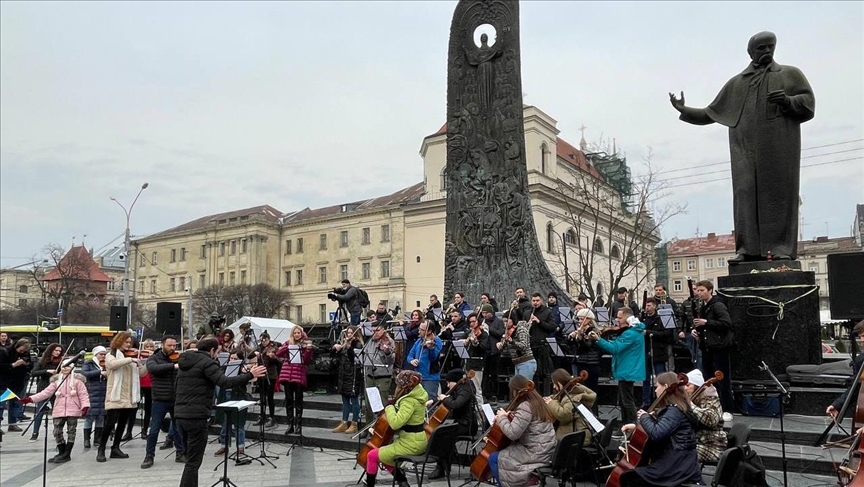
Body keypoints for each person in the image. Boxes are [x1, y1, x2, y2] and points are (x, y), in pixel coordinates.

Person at [670, 31, 815, 261]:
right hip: (744, 150)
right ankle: (747, 249)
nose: (767, 51)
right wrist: (684, 110)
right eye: (761, 48)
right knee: (744, 194)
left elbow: (808, 104)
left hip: (778, 149)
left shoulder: (790, 74)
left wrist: (788, 101)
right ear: (751, 52)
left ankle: (780, 249)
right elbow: (711, 112)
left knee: (778, 196)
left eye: (770, 47)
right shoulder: (737, 83)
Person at [174, 337, 265, 487]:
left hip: (180, 414)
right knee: (193, 462)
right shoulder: (207, 362)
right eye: (216, 351)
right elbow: (225, 382)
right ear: (212, 350)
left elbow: (176, 387)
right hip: (196, 416)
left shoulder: (184, 363)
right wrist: (250, 375)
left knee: (190, 459)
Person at [618, 372, 702, 487]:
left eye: (657, 386)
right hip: (681, 462)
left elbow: (657, 433)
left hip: (676, 466)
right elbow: (665, 427)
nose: (655, 390)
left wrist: (644, 417)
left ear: (666, 387)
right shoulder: (676, 408)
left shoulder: (674, 411)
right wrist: (636, 427)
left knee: (628, 478)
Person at [488, 374, 556, 487]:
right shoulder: (538, 401)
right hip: (544, 448)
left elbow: (513, 434)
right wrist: (512, 415)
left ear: (515, 391)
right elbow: (527, 420)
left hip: (535, 452)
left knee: (494, 458)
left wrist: (502, 418)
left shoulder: (525, 406)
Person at [362, 370, 428, 487]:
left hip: (411, 444)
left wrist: (389, 407)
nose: (397, 387)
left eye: (398, 385)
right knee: (384, 456)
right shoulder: (418, 395)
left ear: (404, 386)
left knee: (372, 455)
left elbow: (395, 424)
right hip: (416, 440)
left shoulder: (409, 401)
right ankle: (402, 481)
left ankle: (370, 485)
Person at [20, 363, 90, 464]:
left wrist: (85, 406)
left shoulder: (78, 382)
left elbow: (84, 395)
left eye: (68, 366)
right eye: (64, 366)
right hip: (59, 409)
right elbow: (45, 393)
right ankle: (62, 451)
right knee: (57, 431)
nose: (65, 368)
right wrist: (31, 399)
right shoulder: (56, 382)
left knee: (71, 431)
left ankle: (67, 453)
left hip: (73, 408)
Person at [96, 331, 147, 462]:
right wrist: (130, 359)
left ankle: (116, 448)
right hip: (116, 393)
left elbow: (141, 374)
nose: (129, 345)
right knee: (110, 423)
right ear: (119, 341)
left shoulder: (132, 355)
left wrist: (142, 364)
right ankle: (101, 449)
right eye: (126, 342)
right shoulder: (111, 354)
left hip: (129, 394)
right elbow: (112, 365)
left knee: (122, 423)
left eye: (130, 342)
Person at [589, 308, 645, 425]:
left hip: (627, 369)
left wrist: (598, 340)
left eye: (619, 318)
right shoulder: (632, 331)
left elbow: (614, 348)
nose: (617, 320)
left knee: (627, 402)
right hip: (626, 369)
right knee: (624, 401)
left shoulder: (630, 333)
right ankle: (625, 426)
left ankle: (633, 426)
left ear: (628, 318)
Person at [692, 280, 734, 421]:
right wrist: (697, 332)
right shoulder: (704, 306)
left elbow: (726, 323)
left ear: (710, 290)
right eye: (698, 290)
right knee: (709, 379)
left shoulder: (718, 305)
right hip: (708, 347)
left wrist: (706, 323)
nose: (699, 293)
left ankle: (727, 408)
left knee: (722, 378)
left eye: (702, 290)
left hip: (719, 348)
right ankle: (713, 406)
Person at [141, 336, 185, 469]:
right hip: (160, 399)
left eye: (174, 346)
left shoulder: (178, 357)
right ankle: (149, 456)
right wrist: (173, 366)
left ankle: (180, 453)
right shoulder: (154, 358)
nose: (172, 348)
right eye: (169, 346)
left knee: (178, 428)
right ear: (162, 345)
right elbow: (154, 369)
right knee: (154, 429)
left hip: (176, 397)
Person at [425, 368, 477, 479]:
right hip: (459, 422)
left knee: (442, 434)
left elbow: (456, 404)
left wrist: (444, 399)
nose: (448, 385)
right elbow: (448, 396)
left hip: (467, 425)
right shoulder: (459, 387)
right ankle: (444, 464)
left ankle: (442, 466)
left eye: (449, 382)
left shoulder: (466, 389)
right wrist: (433, 401)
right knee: (442, 433)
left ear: (455, 380)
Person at [214, 349, 252, 458]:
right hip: (225, 396)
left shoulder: (243, 371)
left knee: (239, 424)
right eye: (231, 358)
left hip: (238, 397)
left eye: (236, 359)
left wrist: (245, 372)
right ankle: (224, 445)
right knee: (224, 424)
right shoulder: (223, 369)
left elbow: (245, 381)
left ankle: (240, 446)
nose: (233, 360)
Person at [276, 326, 314, 435]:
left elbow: (306, 361)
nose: (297, 335)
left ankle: (298, 426)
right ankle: (290, 425)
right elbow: (278, 353)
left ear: (301, 334)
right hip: (287, 375)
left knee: (298, 401)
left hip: (298, 375)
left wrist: (307, 350)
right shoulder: (288, 343)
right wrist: (288, 347)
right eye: (295, 333)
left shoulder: (305, 344)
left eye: (298, 333)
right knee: (288, 401)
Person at [545, 368, 596, 445]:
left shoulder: (572, 397)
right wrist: (549, 399)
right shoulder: (570, 391)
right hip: (578, 433)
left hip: (575, 437)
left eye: (555, 384)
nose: (554, 387)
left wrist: (552, 403)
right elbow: (559, 399)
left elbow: (565, 416)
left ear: (560, 383)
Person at [685, 369, 727, 463]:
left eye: (688, 385)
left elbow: (711, 419)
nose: (685, 388)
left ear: (696, 386)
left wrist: (689, 405)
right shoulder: (693, 399)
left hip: (713, 446)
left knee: (683, 452)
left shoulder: (711, 399)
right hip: (697, 442)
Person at [826, 320, 864, 420]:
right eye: (860, 336)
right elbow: (856, 387)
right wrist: (838, 405)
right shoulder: (861, 360)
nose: (861, 340)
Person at [641, 298, 674, 409]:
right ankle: (646, 402)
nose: (647, 308)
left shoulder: (662, 318)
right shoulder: (642, 318)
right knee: (645, 378)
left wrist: (648, 332)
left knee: (661, 377)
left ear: (655, 306)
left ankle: (662, 400)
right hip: (645, 350)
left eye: (649, 305)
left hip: (658, 351)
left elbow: (666, 334)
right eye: (646, 305)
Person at [361, 324, 395, 426]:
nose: (374, 333)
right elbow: (364, 354)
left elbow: (391, 360)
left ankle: (380, 430)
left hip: (382, 376)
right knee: (368, 405)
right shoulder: (370, 341)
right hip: (370, 375)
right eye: (372, 331)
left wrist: (387, 352)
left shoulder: (389, 341)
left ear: (383, 330)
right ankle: (368, 428)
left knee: (381, 405)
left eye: (377, 330)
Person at [332, 326, 364, 434]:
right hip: (344, 375)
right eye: (348, 333)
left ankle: (354, 423)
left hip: (353, 375)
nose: (349, 335)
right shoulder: (344, 345)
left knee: (354, 400)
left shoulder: (358, 345)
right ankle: (344, 422)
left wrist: (349, 346)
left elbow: (353, 358)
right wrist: (336, 349)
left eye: (351, 333)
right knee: (345, 399)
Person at [29, 343, 63, 442]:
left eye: (59, 351)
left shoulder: (61, 362)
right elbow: (34, 373)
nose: (58, 353)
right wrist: (46, 371)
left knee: (56, 411)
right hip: (43, 387)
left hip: (56, 388)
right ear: (50, 350)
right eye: (56, 350)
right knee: (39, 411)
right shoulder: (42, 361)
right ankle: (35, 433)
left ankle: (57, 432)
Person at [123, 338, 155, 441]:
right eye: (147, 347)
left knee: (148, 410)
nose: (149, 349)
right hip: (139, 384)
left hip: (150, 385)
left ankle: (145, 431)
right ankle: (129, 432)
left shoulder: (154, 357)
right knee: (133, 409)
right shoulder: (138, 356)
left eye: (151, 347)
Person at [0, 338, 33, 432]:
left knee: (15, 404)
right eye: (21, 350)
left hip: (18, 383)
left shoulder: (26, 354)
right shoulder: (5, 352)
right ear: (17, 346)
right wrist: (13, 365)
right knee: (1, 405)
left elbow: (31, 366)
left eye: (24, 351)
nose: (22, 352)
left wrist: (26, 364)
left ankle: (12, 424)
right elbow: (1, 366)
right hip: (5, 383)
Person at [406, 320, 443, 401]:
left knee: (429, 402)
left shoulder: (437, 341)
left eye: (422, 330)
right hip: (418, 377)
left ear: (429, 331)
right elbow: (409, 356)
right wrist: (412, 360)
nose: (419, 331)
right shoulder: (419, 341)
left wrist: (431, 348)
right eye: (419, 329)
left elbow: (433, 358)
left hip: (430, 378)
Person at [568, 308, 601, 397]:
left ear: (589, 320)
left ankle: (592, 410)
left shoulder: (593, 331)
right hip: (581, 362)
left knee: (590, 392)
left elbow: (587, 346)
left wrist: (580, 336)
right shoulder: (581, 330)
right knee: (581, 390)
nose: (579, 321)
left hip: (591, 363)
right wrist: (572, 338)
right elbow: (574, 347)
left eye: (582, 319)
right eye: (579, 319)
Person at [81, 346, 108, 450]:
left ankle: (97, 439)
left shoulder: (106, 364)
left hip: (103, 392)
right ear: (96, 354)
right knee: (89, 417)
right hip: (92, 391)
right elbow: (84, 374)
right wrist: (100, 372)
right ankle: (86, 439)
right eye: (101, 354)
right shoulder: (89, 363)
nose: (103, 356)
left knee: (100, 417)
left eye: (104, 354)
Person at [498, 310, 535, 380]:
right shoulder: (507, 331)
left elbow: (523, 346)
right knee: (518, 388)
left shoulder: (521, 329)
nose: (504, 323)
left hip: (526, 362)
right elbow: (504, 344)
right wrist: (500, 344)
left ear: (513, 320)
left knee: (524, 387)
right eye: (503, 321)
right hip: (517, 362)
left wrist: (512, 342)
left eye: (506, 321)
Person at [462, 313, 489, 406]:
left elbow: (483, 348)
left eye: (474, 321)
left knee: (477, 389)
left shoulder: (483, 334)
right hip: (468, 363)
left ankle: (480, 411)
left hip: (477, 363)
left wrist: (475, 342)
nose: (472, 324)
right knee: (466, 389)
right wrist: (464, 342)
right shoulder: (470, 333)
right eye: (470, 322)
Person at [480, 304, 505, 402]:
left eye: (486, 313)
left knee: (494, 374)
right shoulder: (482, 321)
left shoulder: (498, 321)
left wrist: (488, 328)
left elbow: (500, 333)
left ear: (491, 312)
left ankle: (494, 394)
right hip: (485, 350)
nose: (484, 315)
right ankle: (485, 394)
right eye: (483, 313)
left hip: (494, 351)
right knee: (485, 374)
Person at [255, 331, 279, 428]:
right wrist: (255, 353)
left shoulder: (274, 346)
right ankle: (262, 416)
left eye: (265, 340)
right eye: (261, 341)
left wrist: (273, 357)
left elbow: (278, 361)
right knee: (262, 397)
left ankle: (272, 417)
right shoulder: (260, 347)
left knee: (270, 397)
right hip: (261, 374)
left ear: (268, 339)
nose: (263, 342)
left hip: (271, 375)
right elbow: (250, 355)